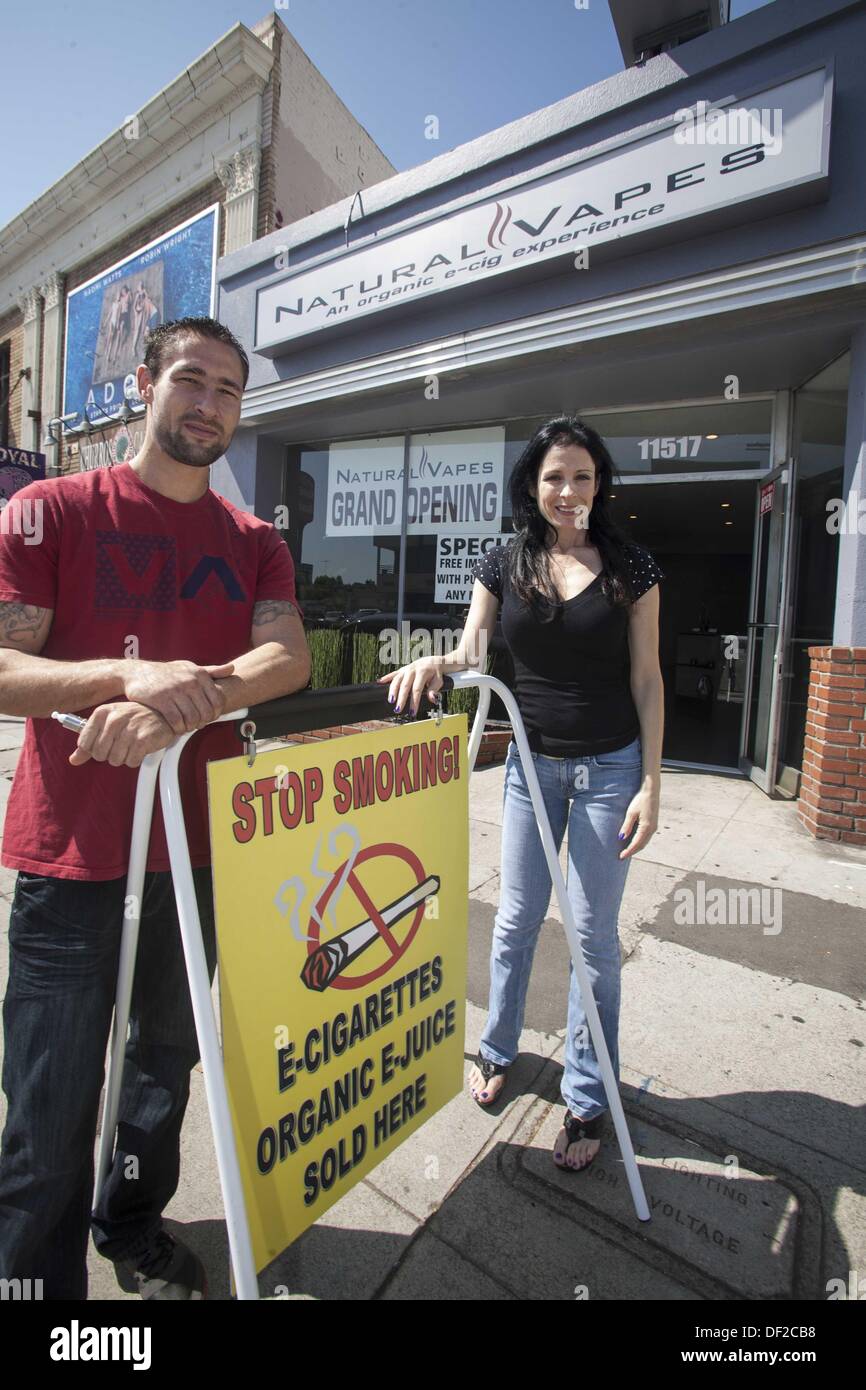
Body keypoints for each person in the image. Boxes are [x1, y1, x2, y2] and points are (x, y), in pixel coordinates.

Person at [0, 315, 311, 1300]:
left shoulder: (253, 539)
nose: (208, 403)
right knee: (47, 1113)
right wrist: (127, 680)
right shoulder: (53, 509)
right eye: (190, 379)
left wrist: (188, 697)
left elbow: (287, 657)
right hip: (70, 858)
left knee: (159, 1074)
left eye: (228, 389)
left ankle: (129, 1226)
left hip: (197, 859)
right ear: (144, 383)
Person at [378, 415, 664, 1175]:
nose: (568, 491)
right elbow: (474, 651)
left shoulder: (631, 567)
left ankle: (585, 1095)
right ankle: (499, 1047)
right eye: (553, 477)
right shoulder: (505, 561)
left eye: (582, 476)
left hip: (610, 770)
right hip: (531, 769)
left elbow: (647, 678)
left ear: (599, 483)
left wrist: (652, 786)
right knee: (514, 921)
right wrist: (438, 662)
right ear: (532, 486)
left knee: (594, 941)